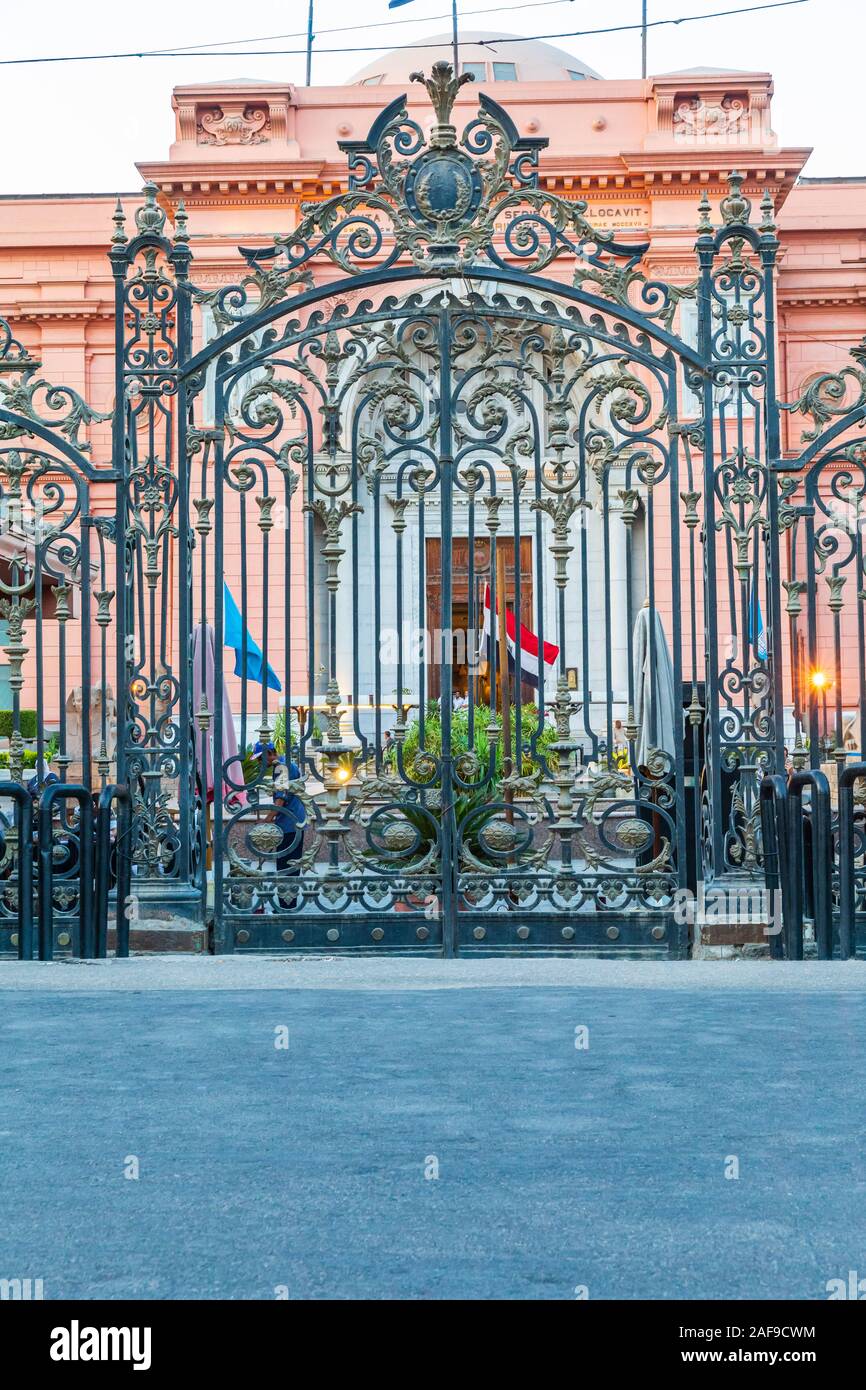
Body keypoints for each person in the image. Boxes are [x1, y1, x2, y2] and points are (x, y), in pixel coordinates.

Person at [253, 741, 306, 905]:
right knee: (292, 864)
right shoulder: (288, 763)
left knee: (286, 866)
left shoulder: (280, 768)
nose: (258, 763)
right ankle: (289, 904)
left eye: (259, 759)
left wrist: (266, 821)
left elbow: (280, 800)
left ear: (268, 753)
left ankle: (286, 906)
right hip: (295, 820)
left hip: (289, 824)